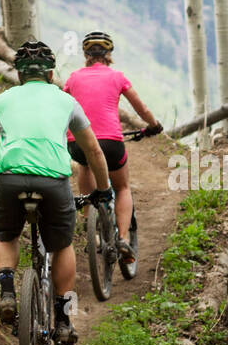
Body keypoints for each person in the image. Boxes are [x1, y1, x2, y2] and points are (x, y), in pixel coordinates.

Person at [0, 40, 112, 345]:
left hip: (10, 180)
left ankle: (8, 289)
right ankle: (63, 321)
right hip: (54, 183)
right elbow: (93, 150)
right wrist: (102, 190)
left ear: (19, 75)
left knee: (6, 236)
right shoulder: (67, 102)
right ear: (51, 74)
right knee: (62, 245)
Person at [63, 31, 161, 263]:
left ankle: (93, 232)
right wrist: (153, 125)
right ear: (109, 55)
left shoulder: (73, 77)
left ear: (86, 55)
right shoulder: (117, 76)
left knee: (85, 166)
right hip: (110, 142)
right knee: (122, 187)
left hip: (76, 142)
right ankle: (124, 239)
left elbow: (60, 103)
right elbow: (141, 107)